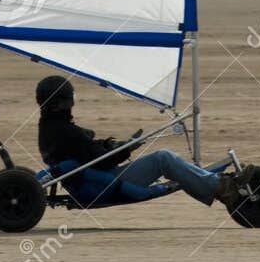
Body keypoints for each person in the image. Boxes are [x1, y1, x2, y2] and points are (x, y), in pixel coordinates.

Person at [34, 75, 238, 205]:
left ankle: (215, 187)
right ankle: (220, 187)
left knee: (166, 160)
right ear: (63, 102)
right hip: (101, 184)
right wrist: (128, 149)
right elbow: (102, 161)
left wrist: (110, 144)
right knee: (163, 158)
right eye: (70, 98)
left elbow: (86, 151)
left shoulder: (48, 128)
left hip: (89, 181)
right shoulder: (65, 132)